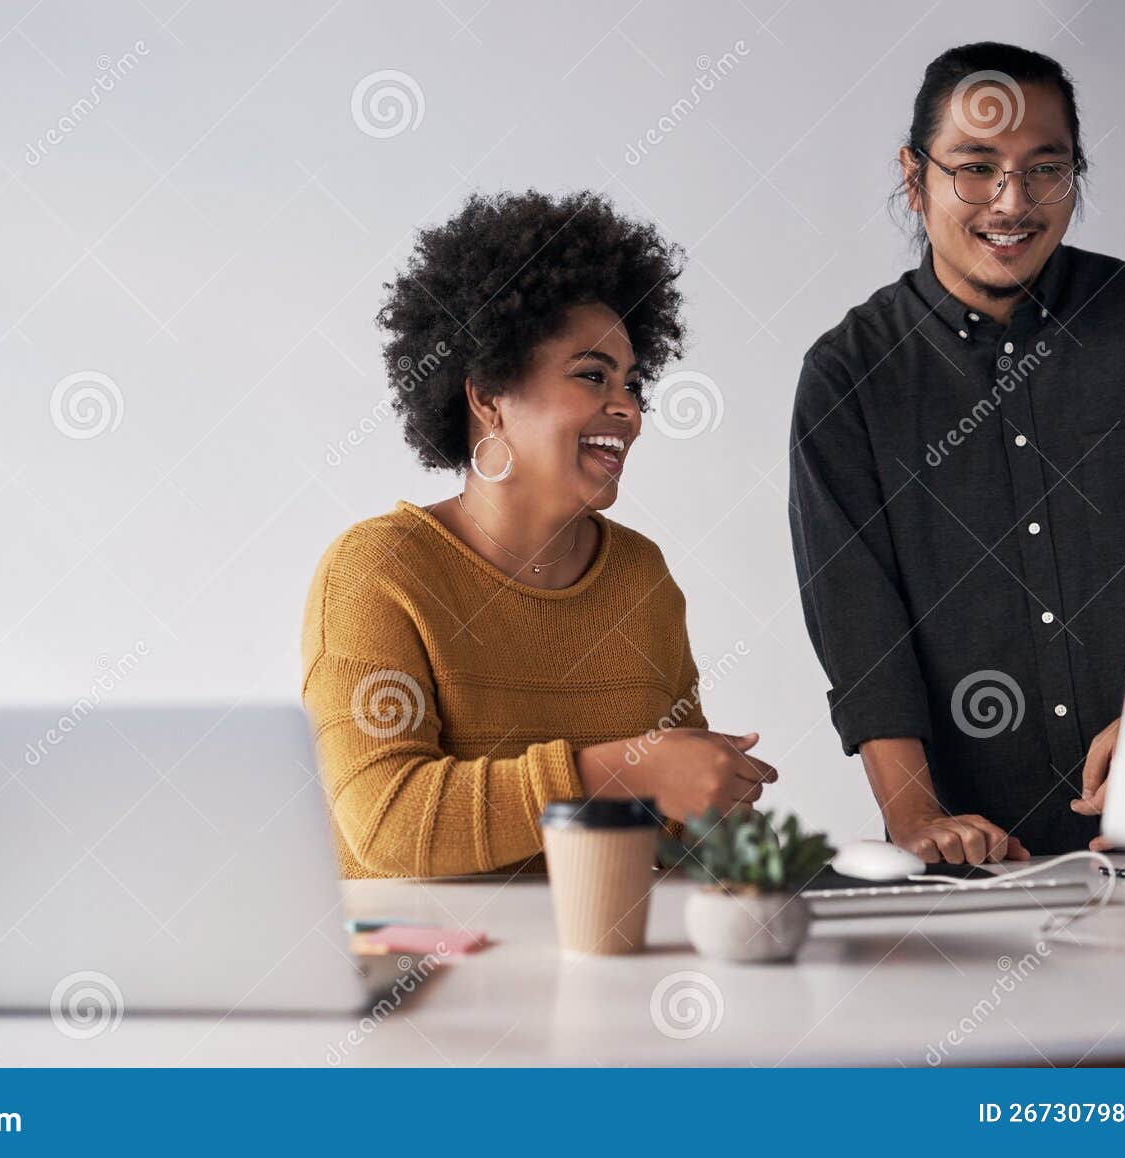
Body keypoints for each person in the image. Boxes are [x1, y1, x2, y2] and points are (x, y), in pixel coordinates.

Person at [787, 42, 1125, 865]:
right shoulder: (849, 375)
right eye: (975, 167)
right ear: (913, 174)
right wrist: (918, 820)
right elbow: (861, 629)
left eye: (1046, 168)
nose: (1012, 202)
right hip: (977, 862)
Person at [302, 190, 776, 879]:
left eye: (634, 384)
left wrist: (720, 807)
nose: (630, 410)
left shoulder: (641, 579)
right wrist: (618, 774)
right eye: (592, 375)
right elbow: (388, 821)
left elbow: (678, 829)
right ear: (488, 395)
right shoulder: (378, 571)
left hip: (607, 967)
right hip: (429, 974)